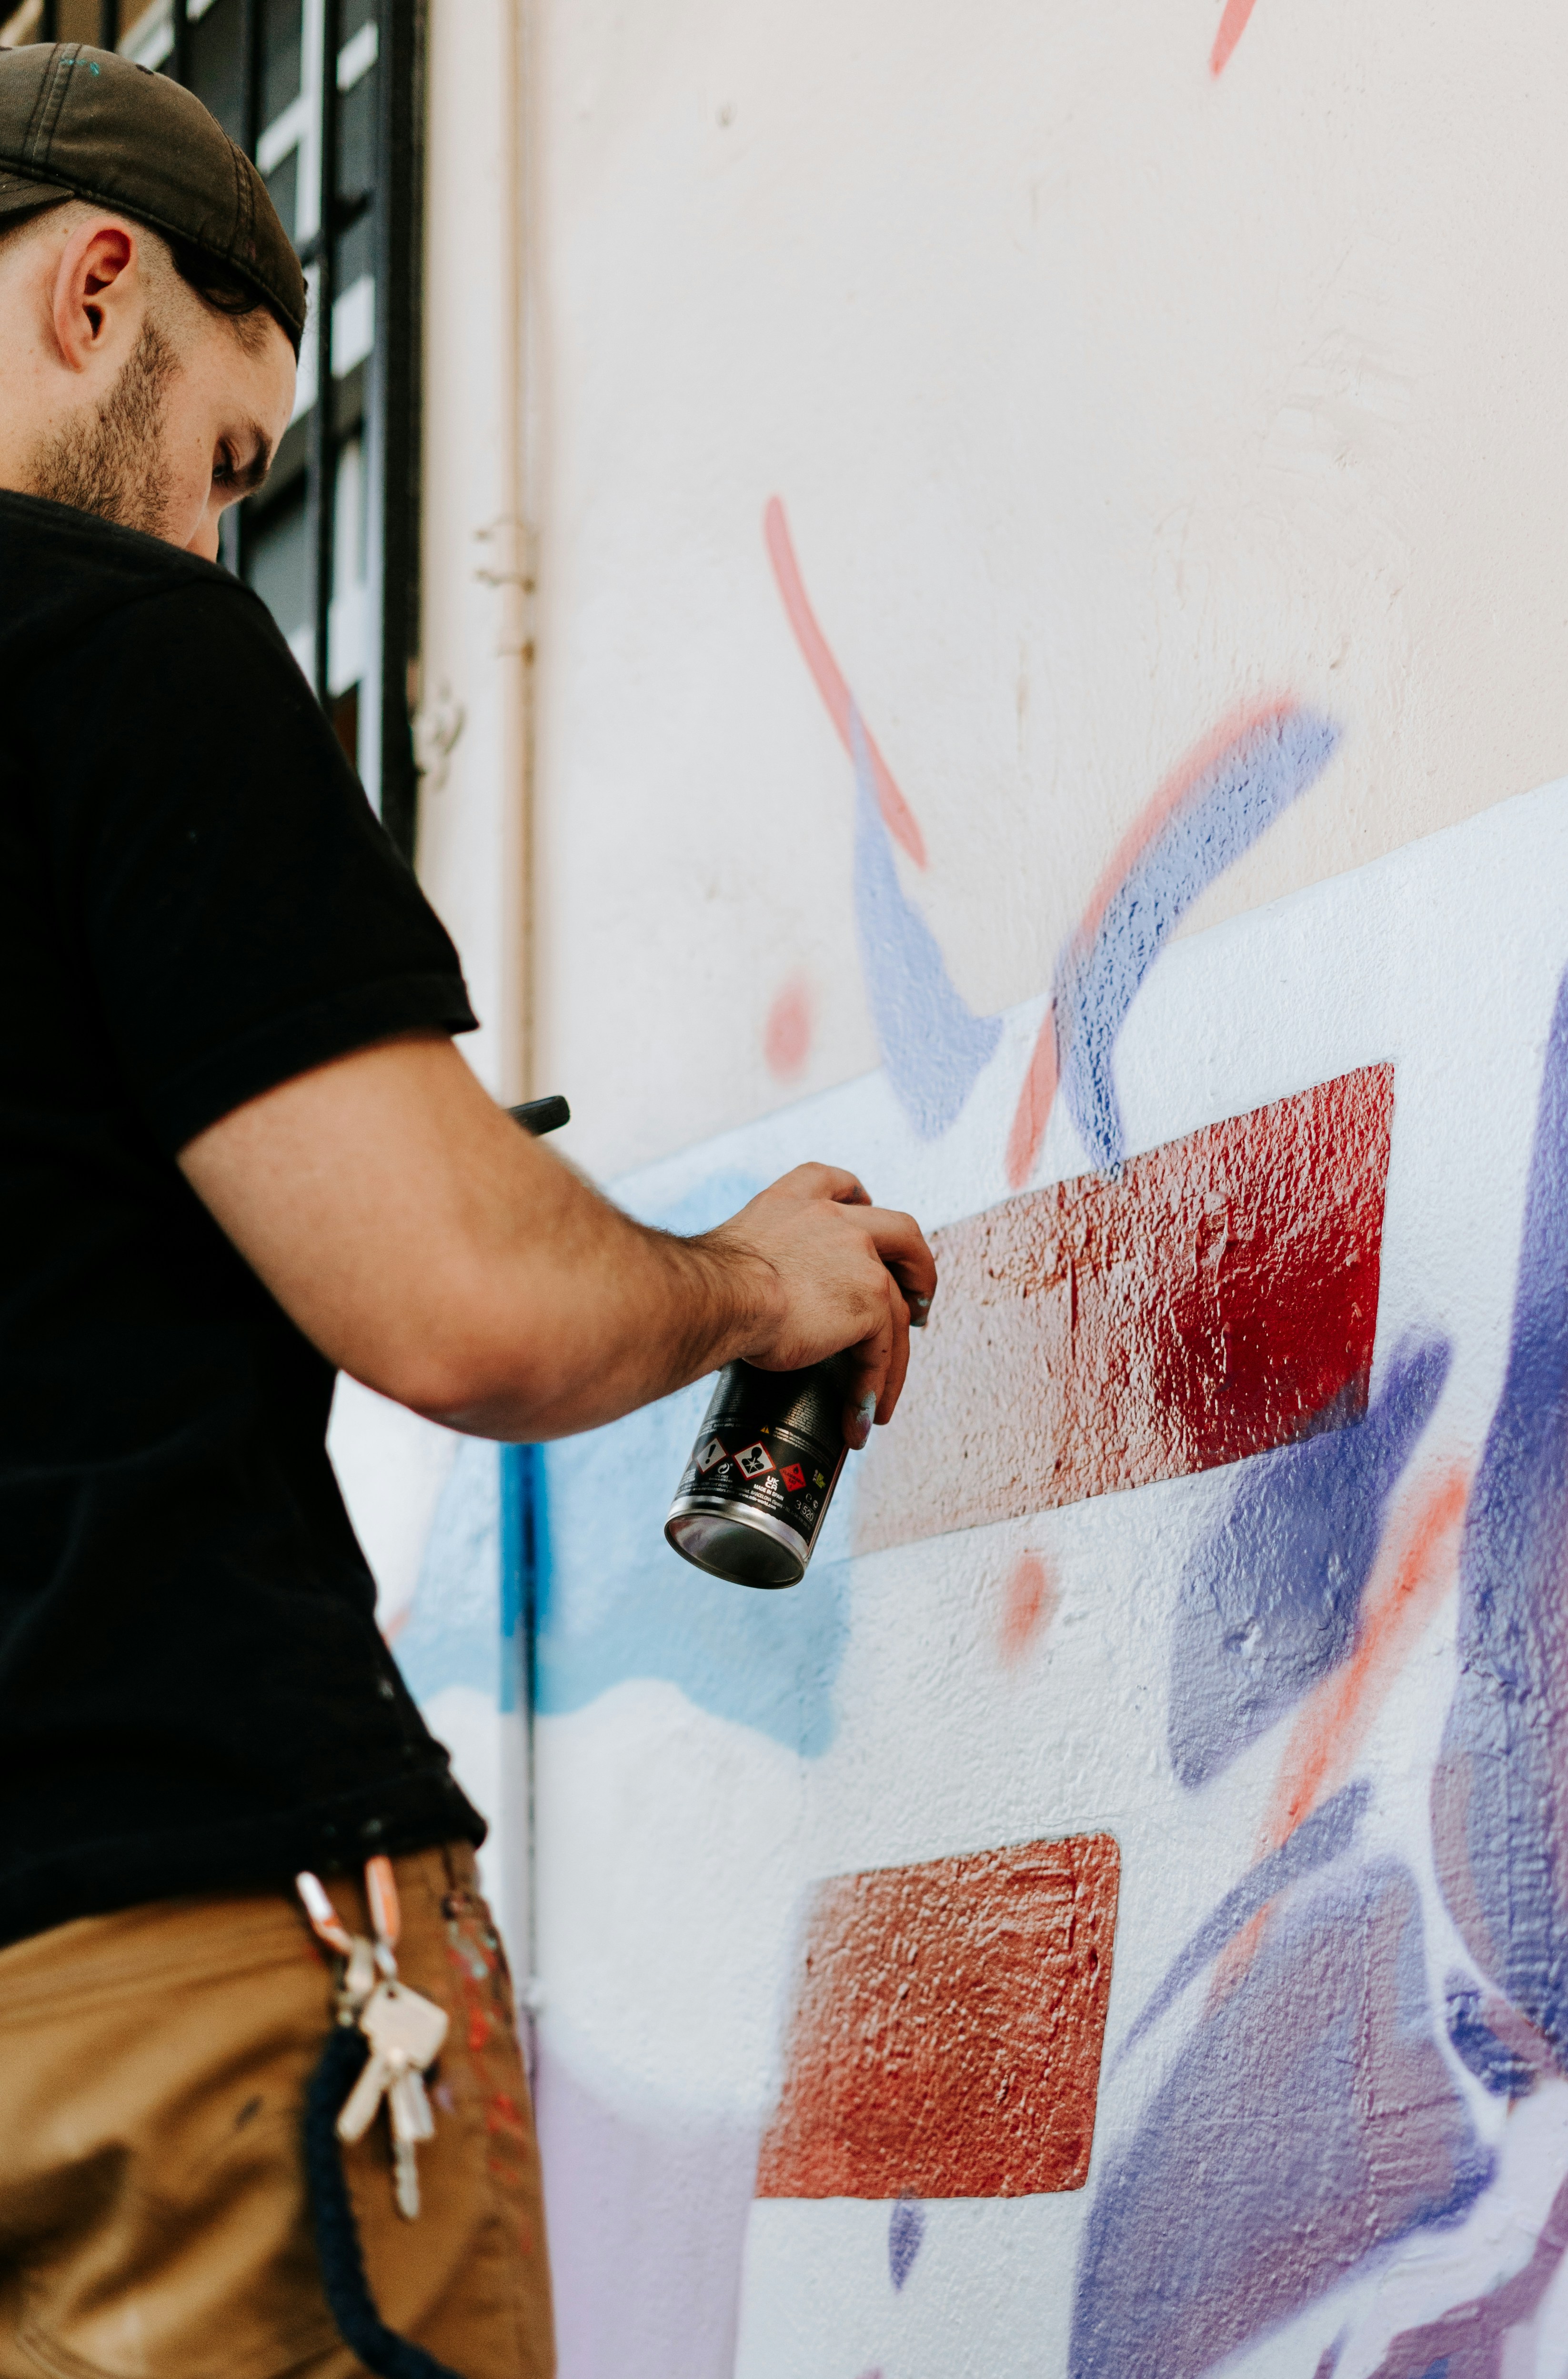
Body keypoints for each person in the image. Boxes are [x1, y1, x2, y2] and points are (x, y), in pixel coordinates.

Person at [0, 41, 936, 2379]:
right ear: (98, 288)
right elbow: (466, 1299)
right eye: (230, 458)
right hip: (180, 1968)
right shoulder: (114, 649)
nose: (219, 535)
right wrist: (749, 1278)